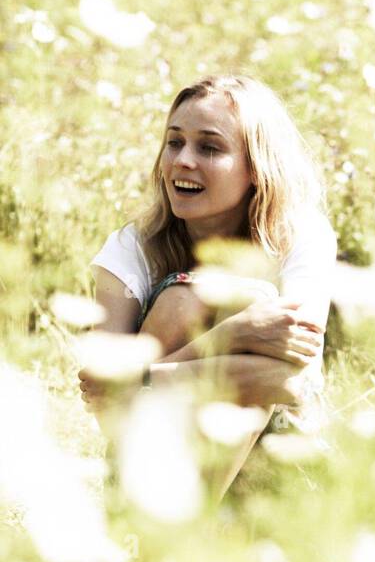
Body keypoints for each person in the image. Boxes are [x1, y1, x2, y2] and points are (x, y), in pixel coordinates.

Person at [80, 73, 337, 493]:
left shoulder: (300, 234)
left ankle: (189, 531)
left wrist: (142, 379)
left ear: (256, 168)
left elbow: (289, 379)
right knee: (185, 299)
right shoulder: (133, 245)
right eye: (175, 141)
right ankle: (176, 530)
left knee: (244, 298)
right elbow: (100, 393)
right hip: (152, 449)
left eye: (210, 147)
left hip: (276, 455)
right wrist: (234, 335)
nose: (183, 160)